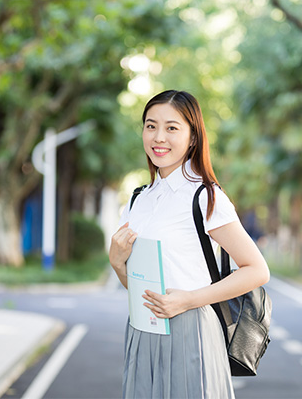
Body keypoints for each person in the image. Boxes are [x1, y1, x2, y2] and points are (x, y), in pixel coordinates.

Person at [109, 90, 270, 399]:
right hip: (143, 329)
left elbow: (256, 270)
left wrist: (188, 300)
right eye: (150, 125)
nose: (159, 137)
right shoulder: (137, 201)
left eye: (172, 128)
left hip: (191, 329)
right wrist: (118, 263)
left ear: (192, 137)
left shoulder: (205, 196)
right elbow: (139, 287)